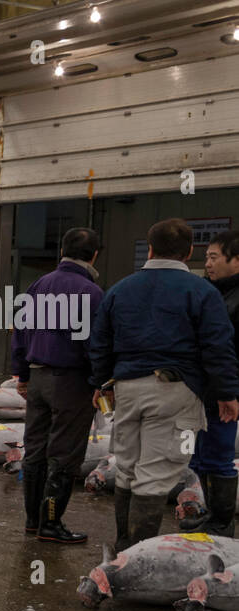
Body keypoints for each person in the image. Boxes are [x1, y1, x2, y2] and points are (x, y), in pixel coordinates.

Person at [89, 218, 239, 550]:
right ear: (189, 253)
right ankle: (137, 558)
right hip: (175, 389)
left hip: (126, 387)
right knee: (156, 473)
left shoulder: (120, 289)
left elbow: (99, 342)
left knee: (126, 466)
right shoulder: (202, 292)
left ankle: (123, 544)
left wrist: (102, 383)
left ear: (151, 248)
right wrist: (227, 392)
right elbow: (218, 347)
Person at [10, 227, 104, 544]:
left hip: (37, 380)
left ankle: (33, 521)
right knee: (64, 456)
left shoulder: (38, 285)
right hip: (71, 382)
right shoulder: (92, 293)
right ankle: (52, 524)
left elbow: (19, 333)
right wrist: (100, 382)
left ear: (61, 251)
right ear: (93, 255)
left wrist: (21, 374)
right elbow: (96, 345)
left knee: (35, 450)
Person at [180, 231, 239, 535]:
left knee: (219, 456)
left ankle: (222, 523)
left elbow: (224, 349)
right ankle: (212, 516)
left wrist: (229, 390)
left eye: (215, 257)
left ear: (236, 261)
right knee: (202, 455)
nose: (208, 263)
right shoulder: (212, 293)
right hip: (205, 390)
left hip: (225, 391)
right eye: (206, 257)